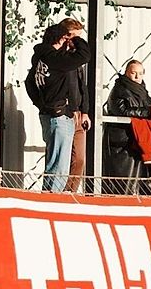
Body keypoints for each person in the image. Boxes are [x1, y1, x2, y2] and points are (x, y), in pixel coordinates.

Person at [25, 23, 90, 192]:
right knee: (59, 164)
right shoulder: (55, 59)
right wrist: (77, 40)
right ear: (63, 38)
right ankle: (52, 197)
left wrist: (40, 103)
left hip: (50, 113)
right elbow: (85, 55)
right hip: (59, 115)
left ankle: (52, 195)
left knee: (57, 160)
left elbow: (29, 83)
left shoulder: (41, 57)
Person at [102, 60, 151, 194]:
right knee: (123, 182)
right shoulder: (119, 89)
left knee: (139, 182)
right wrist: (146, 112)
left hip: (138, 141)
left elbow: (148, 107)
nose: (137, 77)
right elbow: (121, 110)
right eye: (134, 73)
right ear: (126, 73)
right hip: (122, 141)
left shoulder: (143, 91)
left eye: (140, 73)